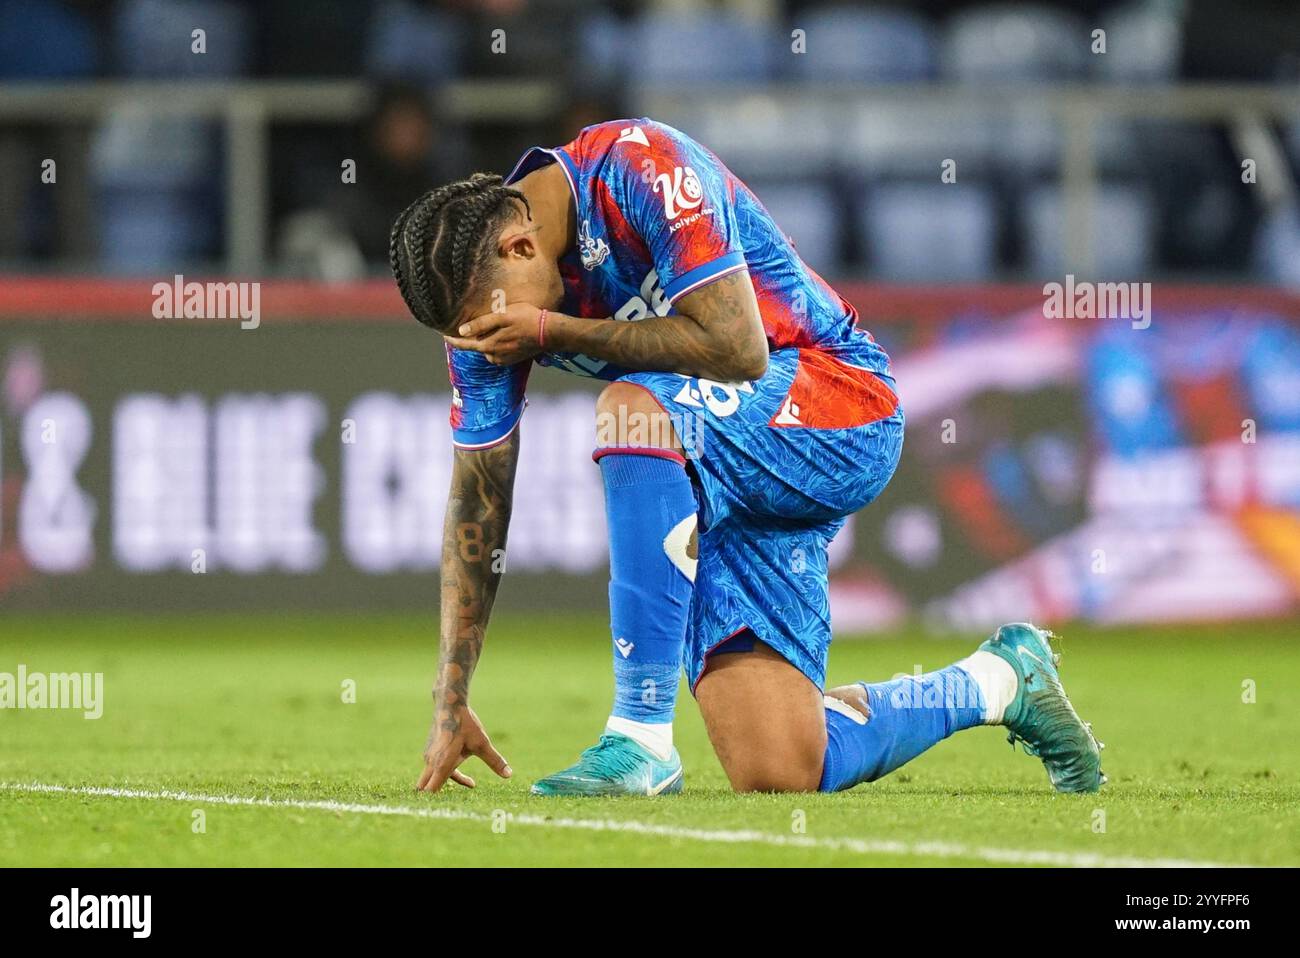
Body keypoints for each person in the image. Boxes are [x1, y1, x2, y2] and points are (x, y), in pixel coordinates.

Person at [389, 118, 1105, 795]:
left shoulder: (639, 165)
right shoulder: (489, 311)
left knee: (633, 409)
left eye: (485, 319)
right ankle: (1002, 680)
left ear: (519, 245)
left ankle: (640, 738)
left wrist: (553, 327)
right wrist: (451, 696)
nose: (485, 341)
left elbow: (738, 348)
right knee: (779, 764)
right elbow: (479, 498)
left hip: (837, 401)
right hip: (721, 462)